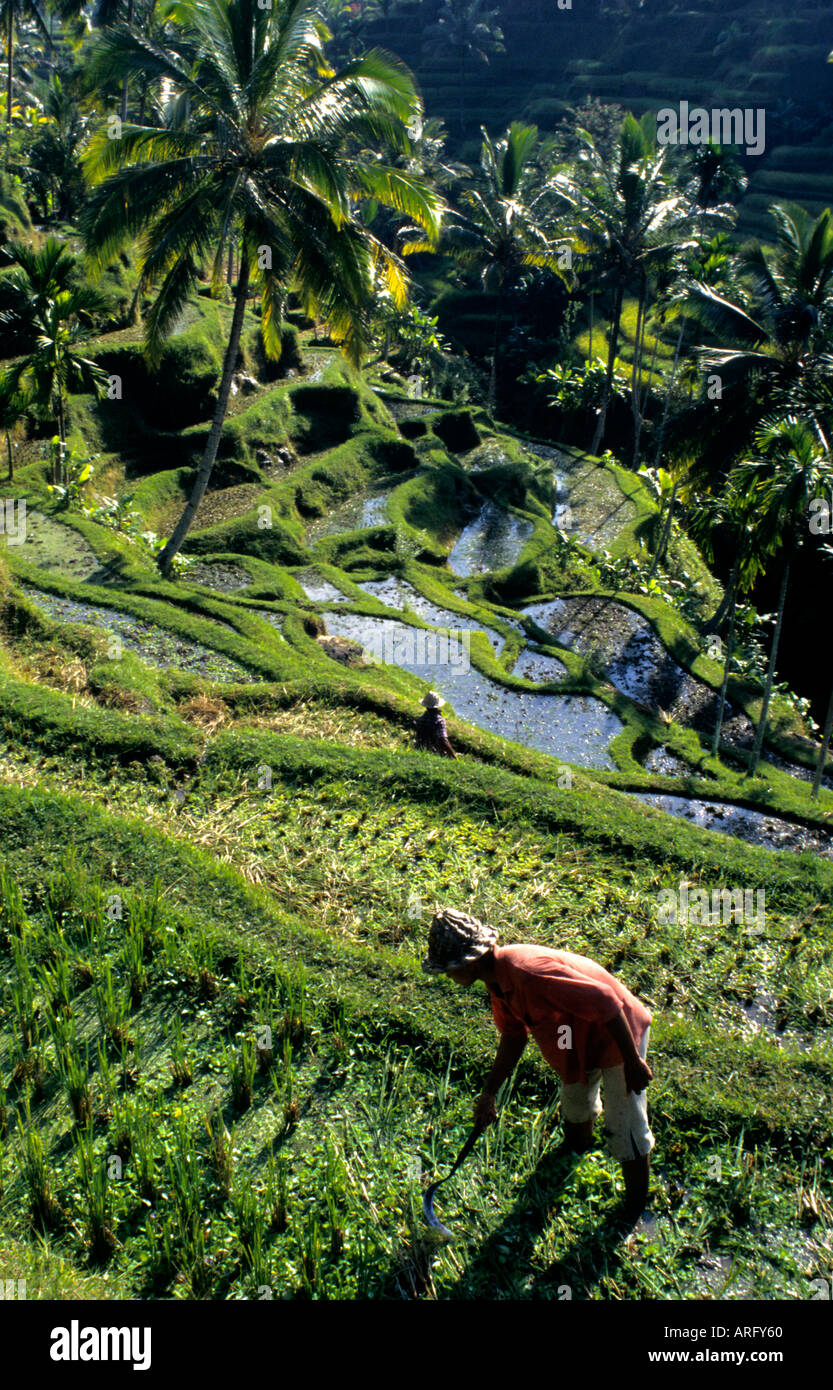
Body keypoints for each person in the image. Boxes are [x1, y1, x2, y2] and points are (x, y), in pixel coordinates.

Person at [421, 907, 654, 1225]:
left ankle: (633, 1209)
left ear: (468, 960)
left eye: (448, 968)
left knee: (625, 1124)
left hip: (616, 1032)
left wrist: (633, 1062)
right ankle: (573, 1155)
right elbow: (513, 1037)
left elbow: (607, 1002)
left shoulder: (528, 973)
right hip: (571, 1031)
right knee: (574, 1098)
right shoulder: (497, 982)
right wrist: (489, 1093)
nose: (447, 975)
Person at [414, 691, 457, 758]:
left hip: (419, 750)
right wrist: (453, 755)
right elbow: (443, 740)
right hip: (434, 753)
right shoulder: (439, 721)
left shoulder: (420, 719)